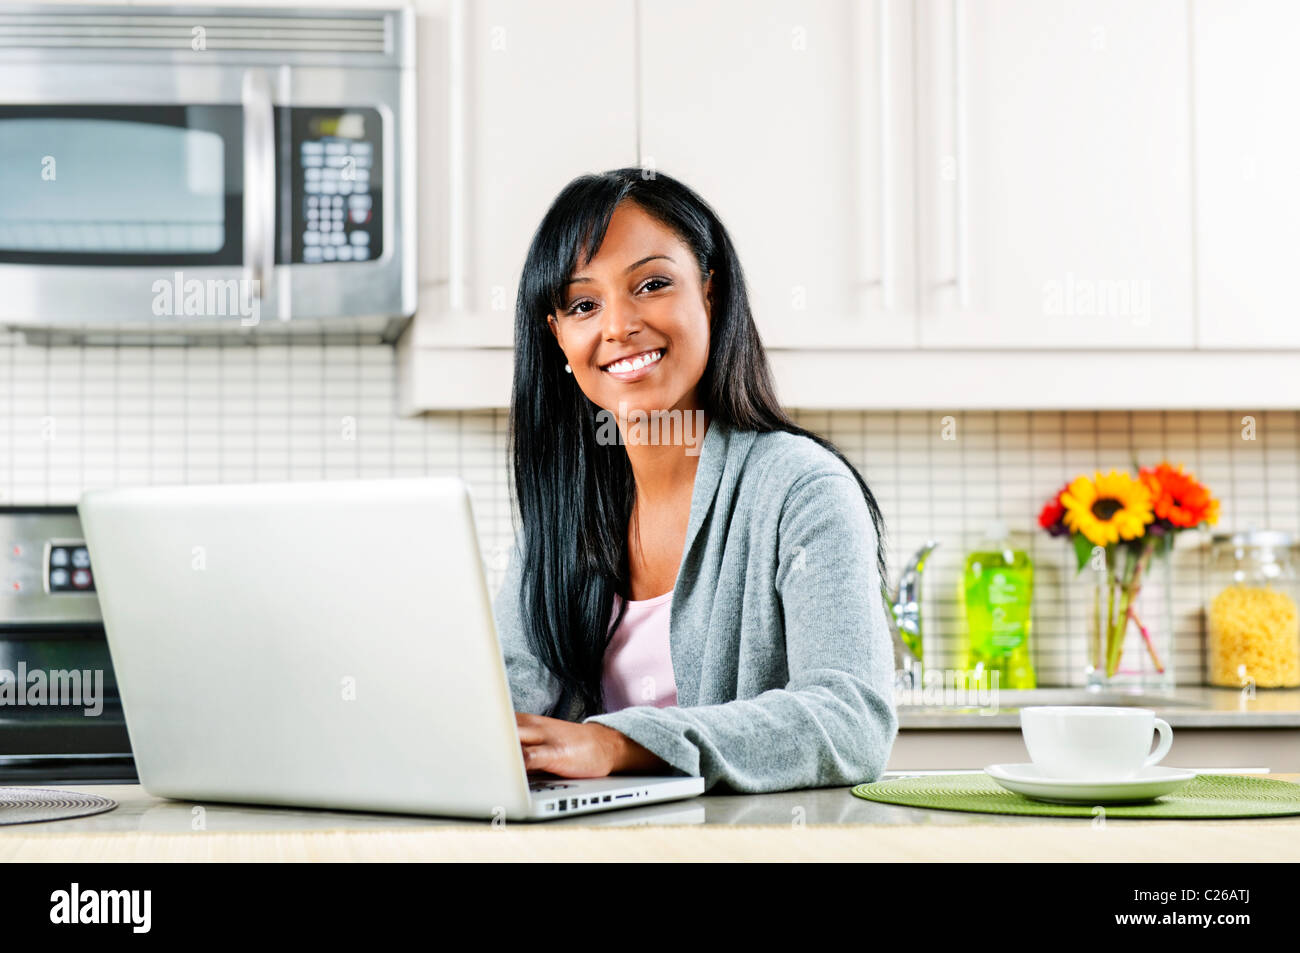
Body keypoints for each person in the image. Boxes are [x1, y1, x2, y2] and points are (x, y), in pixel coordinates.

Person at [494, 167, 898, 793]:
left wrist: (618, 744)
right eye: (582, 304)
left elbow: (851, 719)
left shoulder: (802, 490)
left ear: (709, 293)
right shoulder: (560, 517)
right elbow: (504, 708)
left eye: (652, 284)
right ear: (558, 337)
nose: (617, 325)